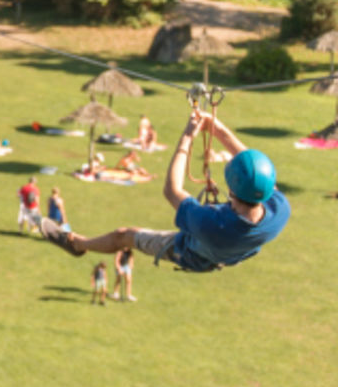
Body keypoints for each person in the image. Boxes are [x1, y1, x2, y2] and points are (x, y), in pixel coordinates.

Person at [41, 110, 290, 272]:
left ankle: (77, 244)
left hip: (190, 251)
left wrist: (187, 137)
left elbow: (172, 190)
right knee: (127, 235)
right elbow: (255, 171)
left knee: (124, 236)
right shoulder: (279, 210)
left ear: (232, 192)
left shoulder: (210, 223)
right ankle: (77, 243)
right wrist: (217, 129)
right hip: (229, 248)